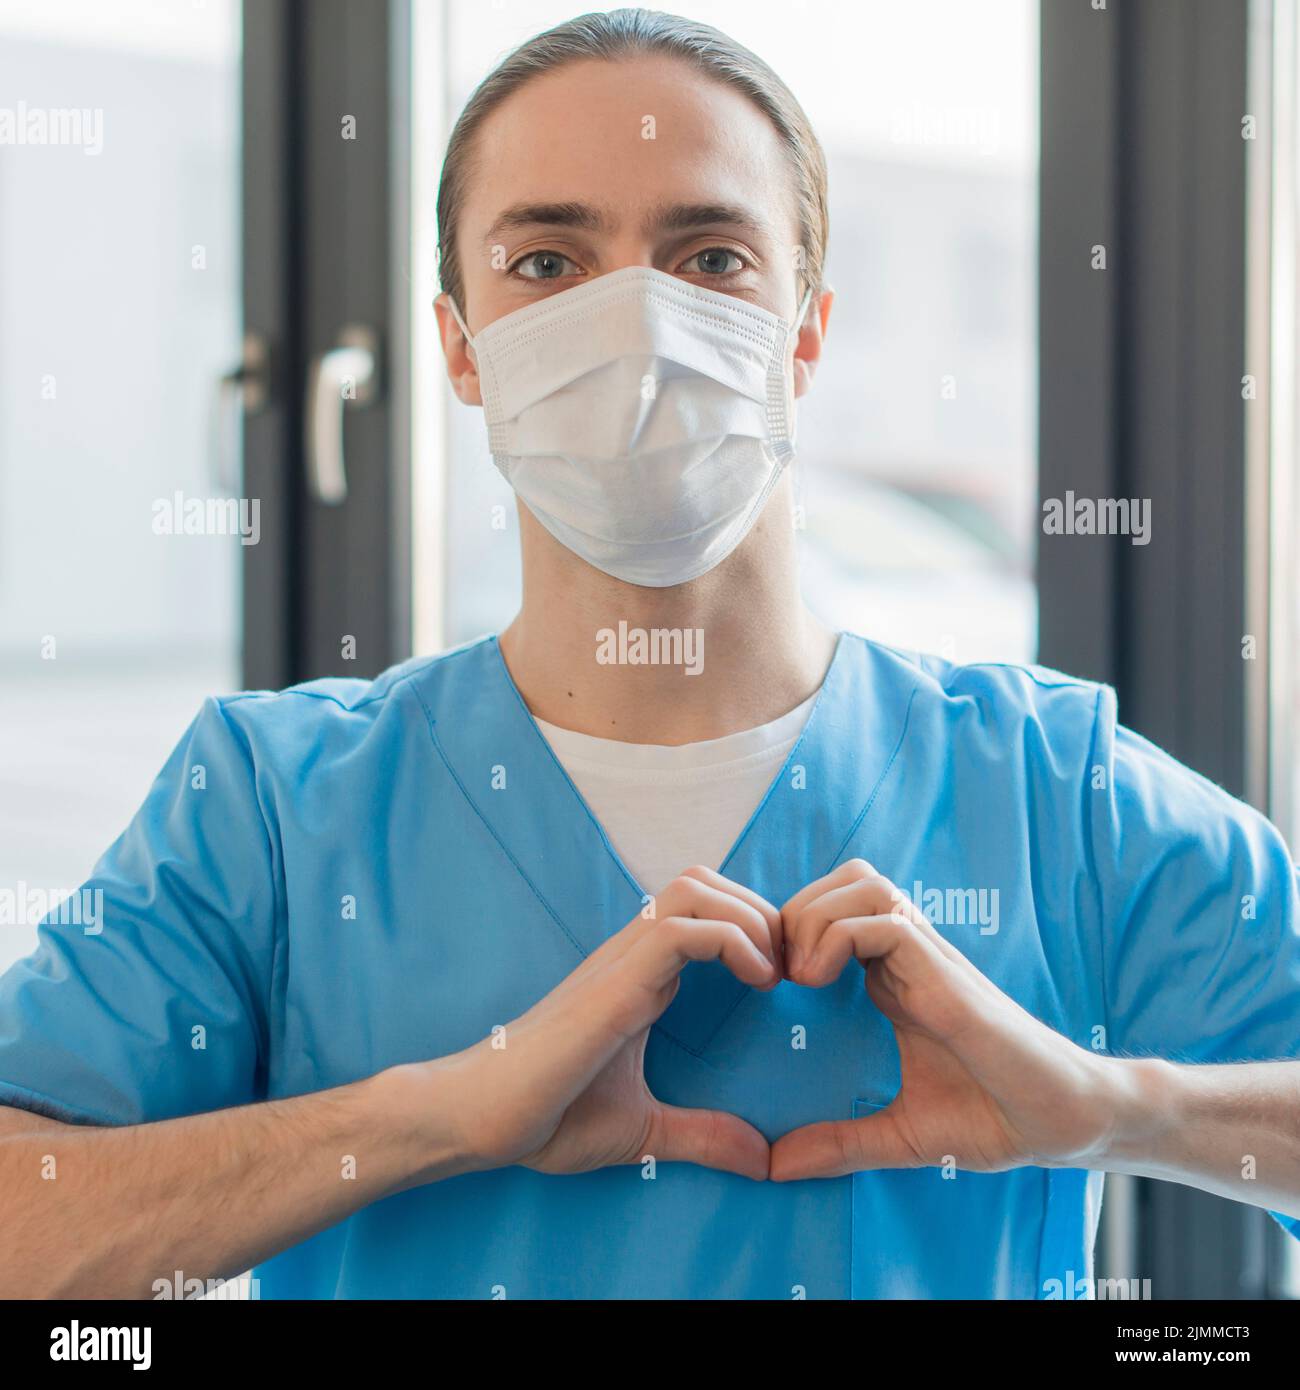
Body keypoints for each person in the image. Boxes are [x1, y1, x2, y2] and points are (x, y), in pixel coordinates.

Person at [1, 9, 1297, 1301]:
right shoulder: (277, 814)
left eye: (712, 255)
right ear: (460, 347)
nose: (640, 323)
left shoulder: (1047, 790)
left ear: (806, 332)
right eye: (549, 262)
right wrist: (436, 1116)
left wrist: (1122, 1109)